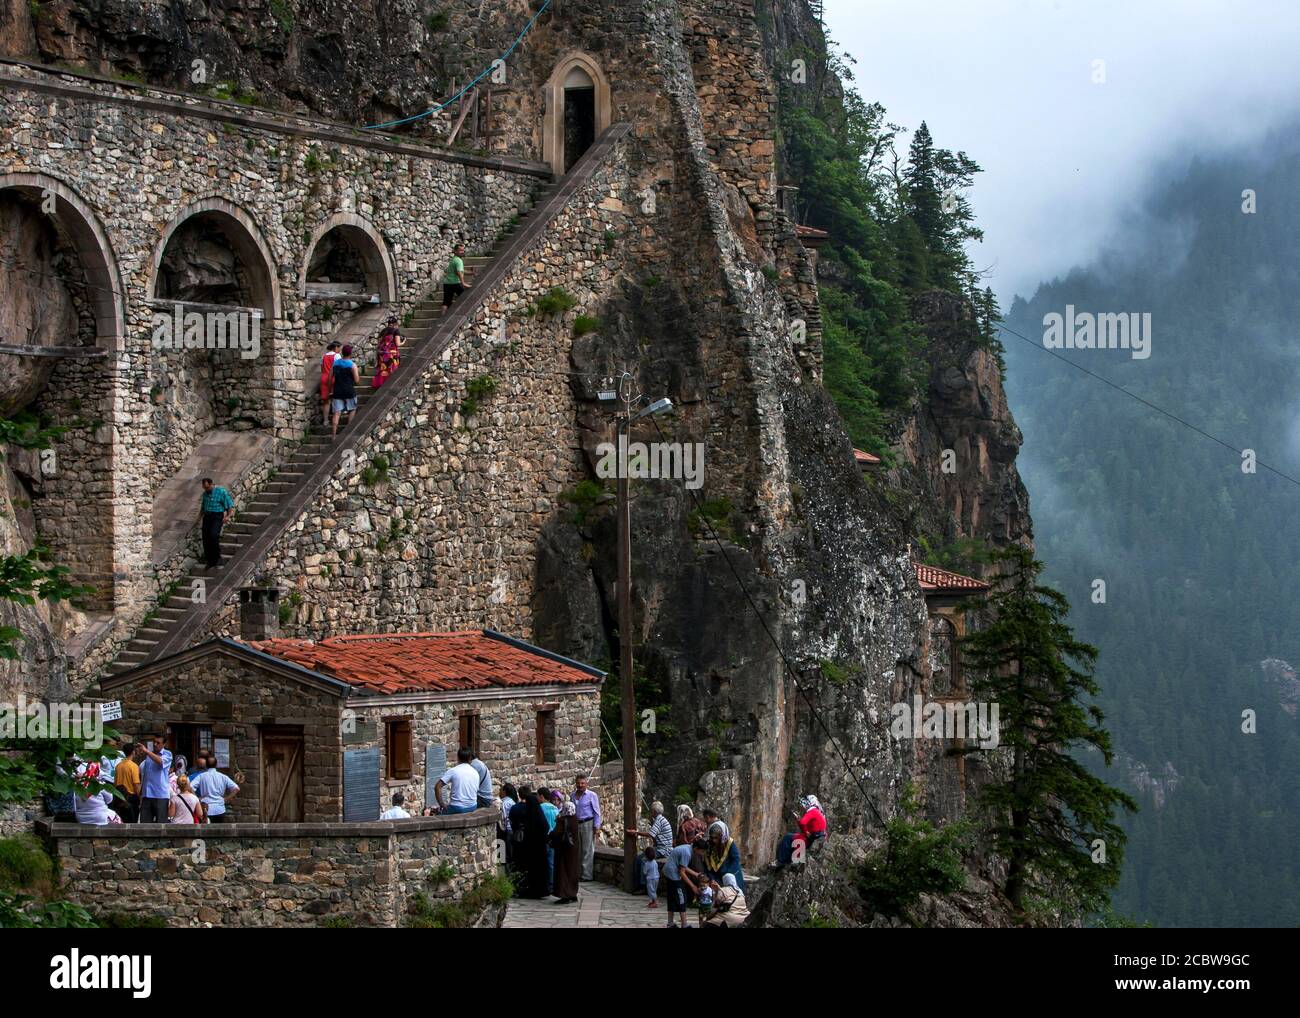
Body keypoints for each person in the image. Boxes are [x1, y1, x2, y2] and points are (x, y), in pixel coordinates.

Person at [772, 794, 828, 868]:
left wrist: (799, 820)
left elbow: (803, 823)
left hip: (814, 838)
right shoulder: (819, 811)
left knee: (790, 838)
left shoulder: (813, 811)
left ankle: (783, 862)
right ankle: (790, 861)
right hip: (816, 837)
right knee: (794, 838)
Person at [517, 792, 551, 899]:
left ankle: (534, 890)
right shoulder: (539, 816)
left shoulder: (531, 817)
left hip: (533, 849)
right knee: (539, 870)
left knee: (534, 871)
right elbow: (545, 828)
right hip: (540, 848)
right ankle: (539, 890)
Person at [662, 841, 702, 928]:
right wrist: (693, 886)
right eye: (701, 851)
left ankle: (670, 923)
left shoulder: (687, 847)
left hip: (668, 871)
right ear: (696, 849)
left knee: (671, 898)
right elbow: (682, 872)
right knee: (682, 898)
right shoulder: (687, 853)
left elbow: (682, 865)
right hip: (674, 875)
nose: (701, 854)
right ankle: (684, 924)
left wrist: (695, 874)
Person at [198, 478, 234, 571]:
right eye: (204, 487)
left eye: (207, 487)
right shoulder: (205, 494)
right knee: (206, 538)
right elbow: (203, 507)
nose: (206, 489)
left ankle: (217, 557)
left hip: (217, 516)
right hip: (207, 516)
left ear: (211, 484)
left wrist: (228, 516)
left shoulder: (221, 492)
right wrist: (199, 518)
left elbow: (229, 505)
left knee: (213, 535)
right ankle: (210, 561)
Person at [550, 800, 581, 904]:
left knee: (563, 871)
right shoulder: (575, 819)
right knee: (572, 871)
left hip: (563, 850)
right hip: (573, 850)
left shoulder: (563, 820)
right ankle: (572, 894)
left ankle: (565, 895)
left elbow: (556, 833)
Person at [572, 773, 601, 881]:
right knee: (578, 849)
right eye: (578, 783)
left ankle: (587, 875)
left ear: (586, 784)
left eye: (582, 783)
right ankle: (579, 873)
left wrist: (596, 827)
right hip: (577, 823)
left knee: (587, 850)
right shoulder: (573, 795)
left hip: (588, 823)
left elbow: (597, 812)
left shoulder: (592, 795)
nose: (580, 785)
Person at [435, 747, 480, 814]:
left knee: (438, 818)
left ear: (458, 758)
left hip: (457, 807)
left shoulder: (453, 771)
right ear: (470, 759)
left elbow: (437, 787)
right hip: (472, 806)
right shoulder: (475, 772)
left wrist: (442, 804)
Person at [703, 821, 745, 891]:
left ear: (721, 836)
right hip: (717, 876)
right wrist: (712, 878)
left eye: (716, 838)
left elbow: (736, 859)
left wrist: (727, 873)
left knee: (734, 895)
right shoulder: (709, 845)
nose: (714, 840)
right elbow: (708, 865)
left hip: (731, 874)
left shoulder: (729, 843)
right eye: (712, 837)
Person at [330, 343, 360, 440]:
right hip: (348, 390)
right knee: (352, 409)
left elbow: (331, 377)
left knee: (336, 413)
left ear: (342, 353)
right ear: (350, 354)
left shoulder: (335, 363)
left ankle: (334, 435)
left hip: (337, 390)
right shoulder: (352, 365)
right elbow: (357, 380)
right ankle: (347, 432)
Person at [372, 318, 404, 389]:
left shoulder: (383, 331)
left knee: (383, 369)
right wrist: (403, 341)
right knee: (391, 369)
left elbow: (379, 343)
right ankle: (390, 384)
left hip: (382, 354)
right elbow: (398, 344)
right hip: (391, 354)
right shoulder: (396, 330)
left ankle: (380, 383)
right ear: (395, 324)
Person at [113, 743, 140, 823]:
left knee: (121, 821)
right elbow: (136, 784)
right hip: (130, 797)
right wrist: (140, 797)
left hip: (119, 796)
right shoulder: (134, 766)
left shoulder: (118, 766)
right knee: (132, 821)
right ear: (133, 752)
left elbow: (115, 782)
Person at [442, 242, 471, 308]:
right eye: (460, 250)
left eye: (463, 250)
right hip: (455, 283)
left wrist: (471, 273)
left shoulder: (454, 259)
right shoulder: (458, 261)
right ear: (455, 251)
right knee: (467, 297)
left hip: (447, 283)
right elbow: (459, 272)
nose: (462, 252)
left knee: (446, 302)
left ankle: (443, 317)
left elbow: (461, 270)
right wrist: (463, 283)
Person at [319, 340, 340, 424]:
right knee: (336, 399)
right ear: (335, 348)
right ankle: (336, 419)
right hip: (333, 378)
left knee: (326, 401)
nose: (340, 350)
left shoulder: (323, 356)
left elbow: (322, 368)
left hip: (324, 377)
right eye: (339, 348)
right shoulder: (337, 356)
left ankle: (325, 420)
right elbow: (338, 368)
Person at [499, 782, 519, 862]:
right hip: (514, 829)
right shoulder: (513, 802)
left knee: (508, 854)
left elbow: (503, 817)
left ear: (504, 792)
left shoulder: (504, 803)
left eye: (500, 790)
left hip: (507, 830)